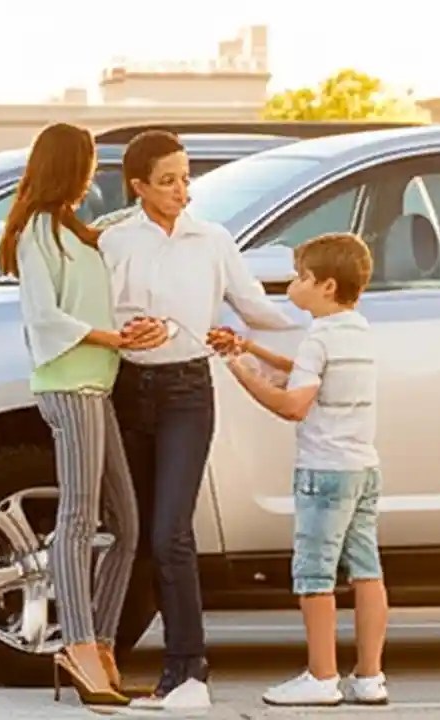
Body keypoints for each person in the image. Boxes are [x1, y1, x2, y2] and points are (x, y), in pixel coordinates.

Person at [86, 130, 302, 710]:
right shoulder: (111, 242)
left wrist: (321, 322)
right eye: (168, 181)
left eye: (186, 178)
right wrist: (125, 335)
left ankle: (189, 673)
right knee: (134, 534)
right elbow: (95, 313)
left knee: (171, 532)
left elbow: (255, 305)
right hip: (128, 389)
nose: (182, 190)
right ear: (137, 187)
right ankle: (108, 661)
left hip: (187, 392)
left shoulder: (213, 239)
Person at [0, 121, 169, 707]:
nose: (96, 172)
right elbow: (45, 317)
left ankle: (99, 645)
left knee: (125, 524)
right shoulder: (37, 232)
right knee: (76, 521)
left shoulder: (74, 230)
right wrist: (113, 338)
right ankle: (76, 646)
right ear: (70, 165)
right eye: (91, 162)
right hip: (70, 387)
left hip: (96, 386)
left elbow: (109, 249)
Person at [214, 233, 389, 707]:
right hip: (362, 471)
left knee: (314, 576)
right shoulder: (357, 330)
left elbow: (294, 405)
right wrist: (252, 348)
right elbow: (306, 370)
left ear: (326, 286)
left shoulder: (318, 336)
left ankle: (321, 676)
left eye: (300, 277)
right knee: (367, 573)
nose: (293, 285)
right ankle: (369, 677)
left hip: (323, 473)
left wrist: (241, 371)